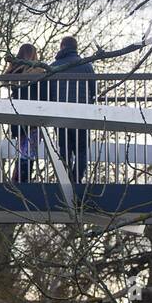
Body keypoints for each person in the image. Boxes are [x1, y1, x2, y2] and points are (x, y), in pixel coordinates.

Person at [47, 35, 97, 190]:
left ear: (62, 47)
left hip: (60, 114)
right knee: (81, 149)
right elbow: (93, 90)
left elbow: (49, 93)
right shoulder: (86, 65)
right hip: (82, 113)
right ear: (76, 48)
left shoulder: (53, 66)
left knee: (65, 149)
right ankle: (76, 179)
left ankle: (66, 179)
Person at [6, 43, 42, 182]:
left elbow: (5, 83)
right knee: (29, 150)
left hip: (17, 114)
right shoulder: (37, 69)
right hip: (33, 114)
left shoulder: (14, 71)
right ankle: (22, 179)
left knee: (22, 149)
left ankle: (17, 178)